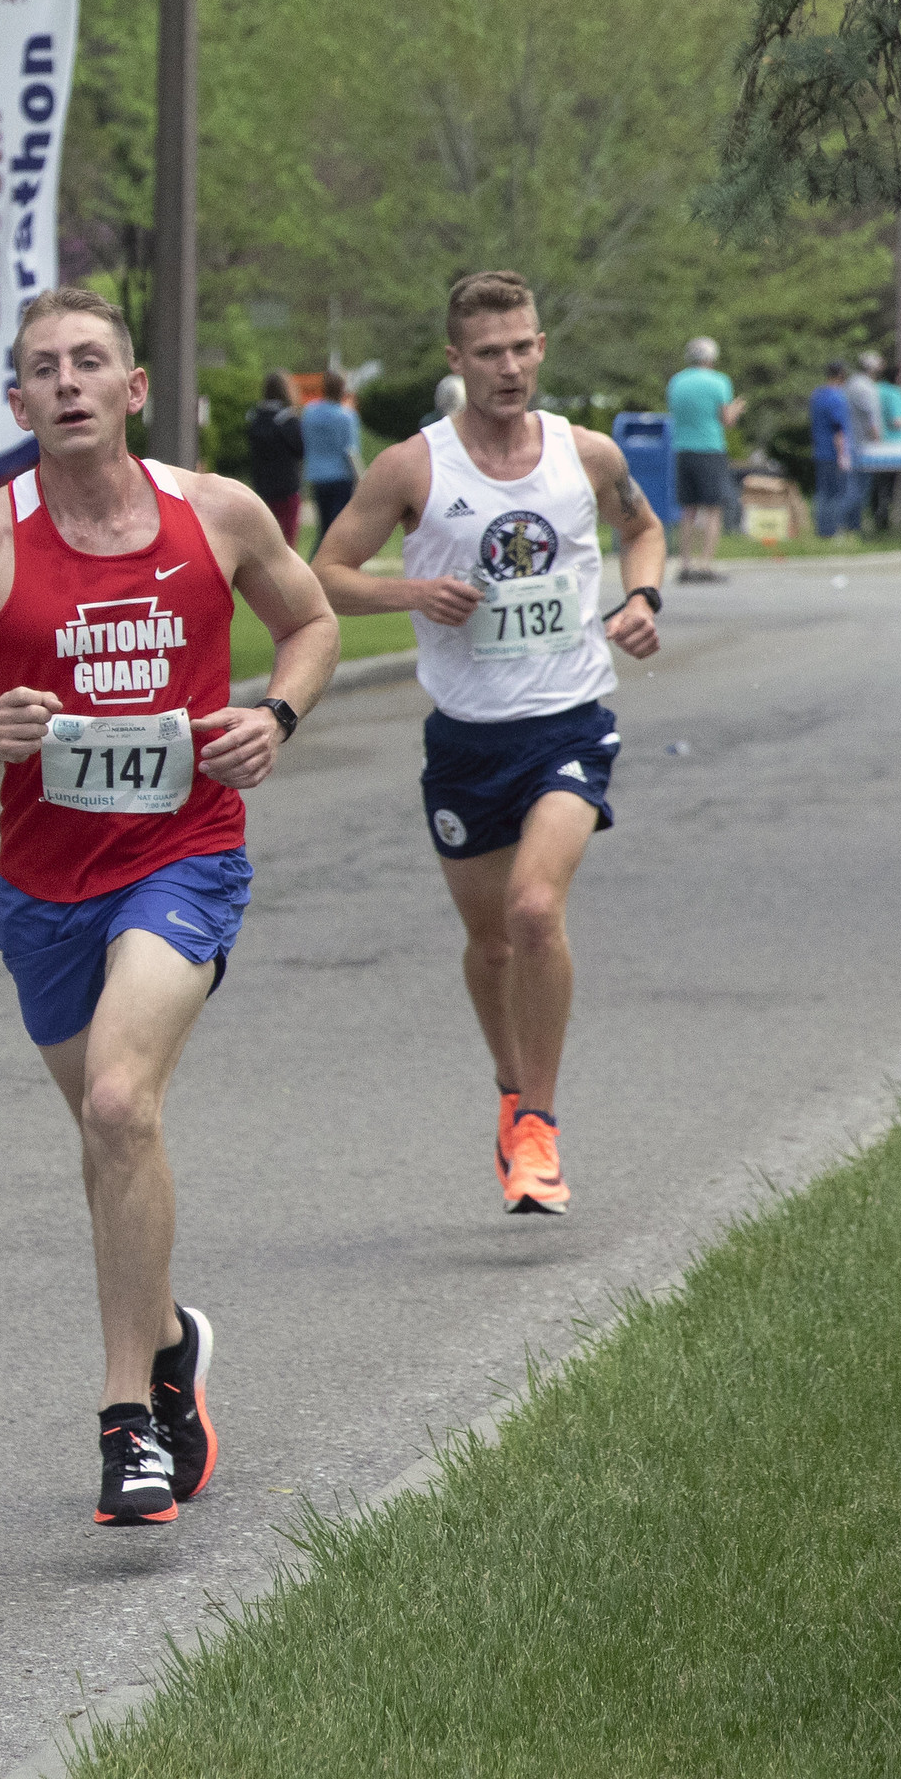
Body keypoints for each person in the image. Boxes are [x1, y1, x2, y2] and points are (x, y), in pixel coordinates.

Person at [0, 287, 339, 1527]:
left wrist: (275, 715)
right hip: (44, 886)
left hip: (183, 855)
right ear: (19, 401)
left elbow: (309, 621)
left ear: (132, 388)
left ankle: (125, 1418)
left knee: (113, 1101)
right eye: (43, 367)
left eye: (89, 361)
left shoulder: (218, 511)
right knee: (112, 1145)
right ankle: (172, 1340)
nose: (68, 381)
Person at [313, 269, 664, 1217]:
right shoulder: (411, 468)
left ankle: (540, 1127)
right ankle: (512, 1093)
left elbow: (643, 529)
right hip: (466, 740)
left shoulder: (586, 453)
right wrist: (412, 593)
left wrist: (641, 597)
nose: (508, 368)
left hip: (569, 720)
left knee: (534, 909)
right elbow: (326, 573)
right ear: (455, 360)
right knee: (491, 944)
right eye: (488, 353)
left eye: (521, 348)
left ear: (539, 348)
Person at [666, 336, 744, 583]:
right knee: (712, 508)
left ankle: (685, 563)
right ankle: (705, 564)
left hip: (683, 449)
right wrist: (736, 409)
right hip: (710, 448)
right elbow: (726, 420)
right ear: (711, 358)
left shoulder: (676, 382)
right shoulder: (719, 382)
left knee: (688, 509)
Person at [301, 369, 363, 550]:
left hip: (317, 475)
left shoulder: (309, 412)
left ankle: (317, 559)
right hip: (340, 476)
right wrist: (360, 478)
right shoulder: (346, 416)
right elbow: (351, 451)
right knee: (338, 529)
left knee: (324, 527)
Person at [246, 370, 304, 549]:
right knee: (287, 540)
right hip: (286, 487)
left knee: (264, 539)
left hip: (261, 486)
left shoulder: (254, 417)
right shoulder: (287, 419)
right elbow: (300, 450)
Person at [809, 360, 856, 538]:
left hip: (820, 450)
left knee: (823, 493)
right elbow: (838, 429)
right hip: (833, 452)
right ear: (841, 375)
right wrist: (843, 455)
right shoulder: (837, 398)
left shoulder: (817, 395)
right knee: (838, 494)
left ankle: (822, 529)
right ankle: (833, 530)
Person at [873, 358, 901, 533]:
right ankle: (883, 520)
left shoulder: (877, 389)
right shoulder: (894, 393)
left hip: (879, 445)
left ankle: (878, 516)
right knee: (888, 487)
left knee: (878, 485)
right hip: (896, 447)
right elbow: (896, 421)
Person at [844, 352, 886, 533]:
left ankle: (852, 525)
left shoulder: (851, 384)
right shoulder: (864, 388)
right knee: (858, 489)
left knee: (854, 487)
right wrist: (878, 443)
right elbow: (871, 420)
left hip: (853, 443)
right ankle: (848, 526)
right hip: (862, 446)